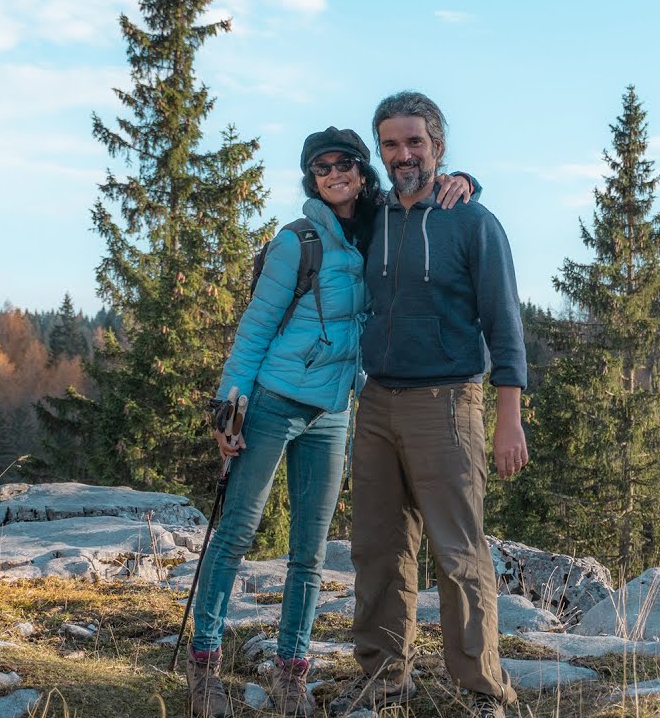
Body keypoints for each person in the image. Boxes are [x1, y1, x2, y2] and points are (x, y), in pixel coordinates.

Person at [185, 126, 475, 718]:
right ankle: (204, 666)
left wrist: (466, 181)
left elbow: (425, 191)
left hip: (334, 413)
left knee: (309, 554)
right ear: (311, 178)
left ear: (362, 172)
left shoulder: (376, 230)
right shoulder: (297, 241)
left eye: (345, 163)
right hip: (271, 404)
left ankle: (292, 673)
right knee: (236, 533)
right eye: (322, 167)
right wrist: (227, 405)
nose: (335, 172)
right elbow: (255, 329)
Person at [327, 92, 528, 718]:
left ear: (438, 146)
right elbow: (324, 191)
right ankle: (383, 683)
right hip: (377, 403)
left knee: (459, 552)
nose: (403, 154)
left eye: (415, 142)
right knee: (377, 549)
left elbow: (505, 324)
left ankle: (481, 693)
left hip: (449, 404)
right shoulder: (370, 218)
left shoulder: (472, 220)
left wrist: (508, 420)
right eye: (391, 144)